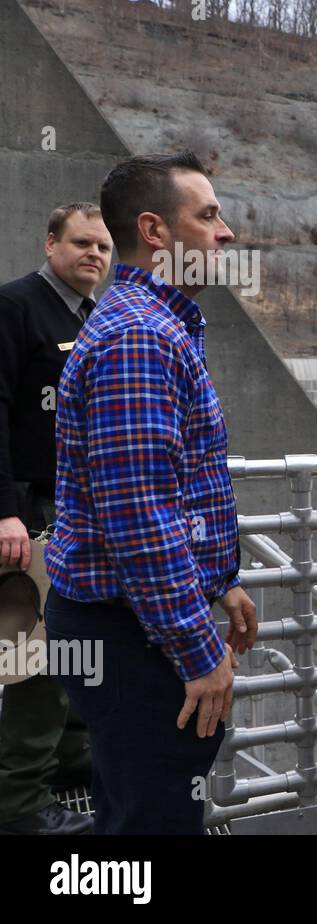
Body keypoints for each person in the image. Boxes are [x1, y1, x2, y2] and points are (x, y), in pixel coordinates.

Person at [42, 152, 258, 835]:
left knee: (132, 810)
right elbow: (138, 516)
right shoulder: (140, 337)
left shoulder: (155, 325)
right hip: (133, 636)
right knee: (154, 822)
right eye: (209, 215)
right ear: (156, 231)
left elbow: (171, 488)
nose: (225, 234)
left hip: (130, 623)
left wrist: (219, 580)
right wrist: (197, 650)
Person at [0, 203, 112, 835]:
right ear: (50, 244)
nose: (93, 254)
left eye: (102, 245)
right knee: (33, 663)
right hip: (29, 512)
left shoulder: (94, 317)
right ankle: (18, 804)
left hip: (76, 513)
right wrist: (5, 514)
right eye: (80, 243)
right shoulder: (15, 307)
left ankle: (72, 762)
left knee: (74, 646)